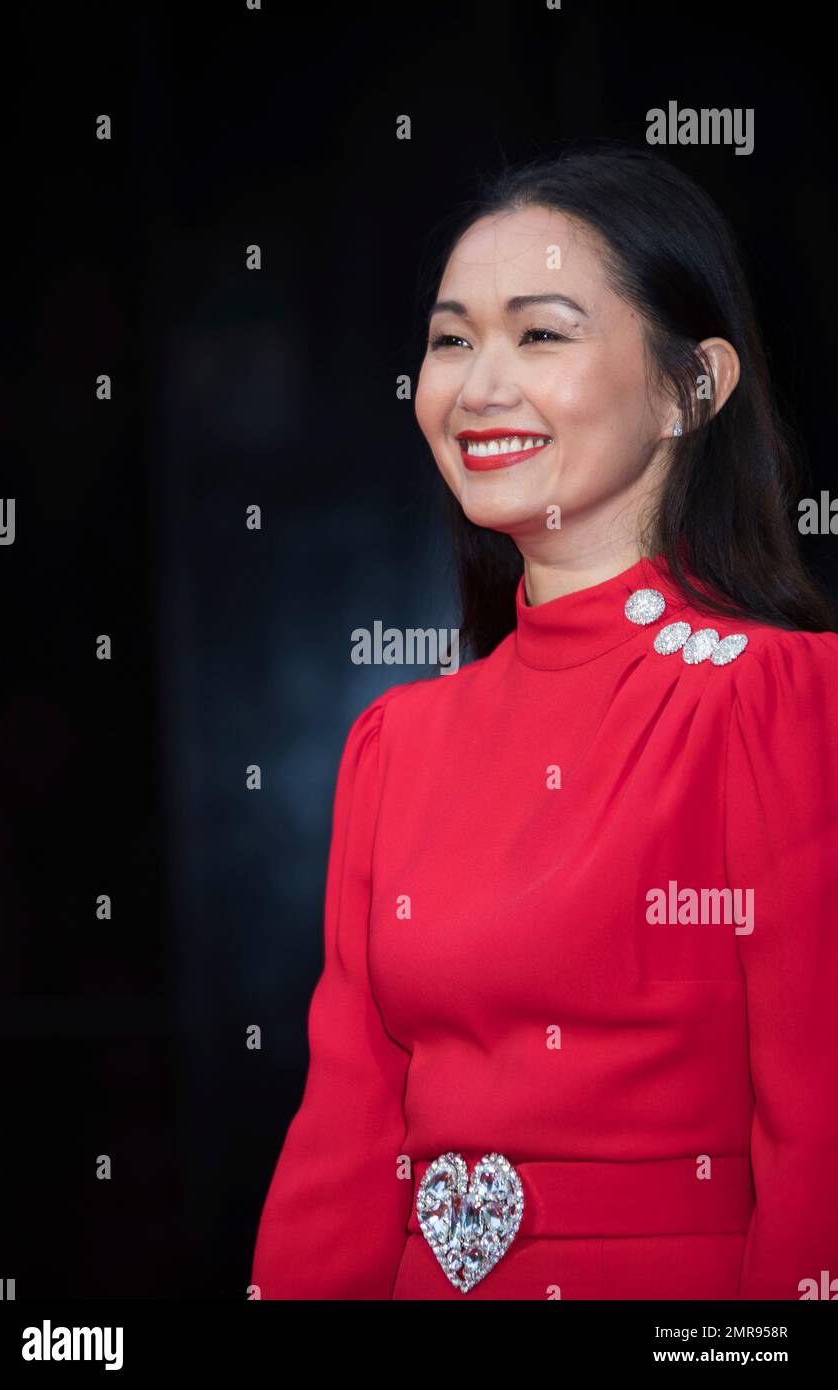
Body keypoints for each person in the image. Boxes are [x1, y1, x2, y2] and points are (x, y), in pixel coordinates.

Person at [249, 144, 838, 1300]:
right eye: (451, 338)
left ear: (688, 388)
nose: (477, 385)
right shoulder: (393, 742)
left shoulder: (776, 701)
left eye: (541, 332)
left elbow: (820, 1143)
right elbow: (343, 1144)